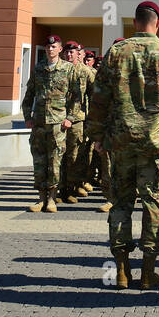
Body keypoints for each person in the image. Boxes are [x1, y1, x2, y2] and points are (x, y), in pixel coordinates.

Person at [87, 1, 159, 289]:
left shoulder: (116, 52)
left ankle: (121, 270)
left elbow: (98, 99)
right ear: (158, 23)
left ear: (134, 23)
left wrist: (97, 136)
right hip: (156, 144)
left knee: (121, 204)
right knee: (153, 205)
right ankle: (148, 271)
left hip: (120, 144)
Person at [21, 35, 85, 212]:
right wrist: (28, 116)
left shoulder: (67, 69)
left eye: (54, 47)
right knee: (39, 162)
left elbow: (77, 97)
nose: (50, 50)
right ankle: (40, 198)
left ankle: (52, 198)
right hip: (39, 123)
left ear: (60, 50)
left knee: (55, 161)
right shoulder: (38, 69)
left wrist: (70, 118)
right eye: (48, 47)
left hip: (58, 123)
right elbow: (28, 97)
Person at [60, 40, 95, 204]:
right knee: (60, 155)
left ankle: (73, 186)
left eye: (72, 52)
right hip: (58, 118)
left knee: (76, 155)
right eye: (67, 52)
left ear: (77, 53)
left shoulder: (85, 71)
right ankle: (61, 188)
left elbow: (94, 96)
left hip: (79, 119)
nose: (69, 54)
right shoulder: (59, 70)